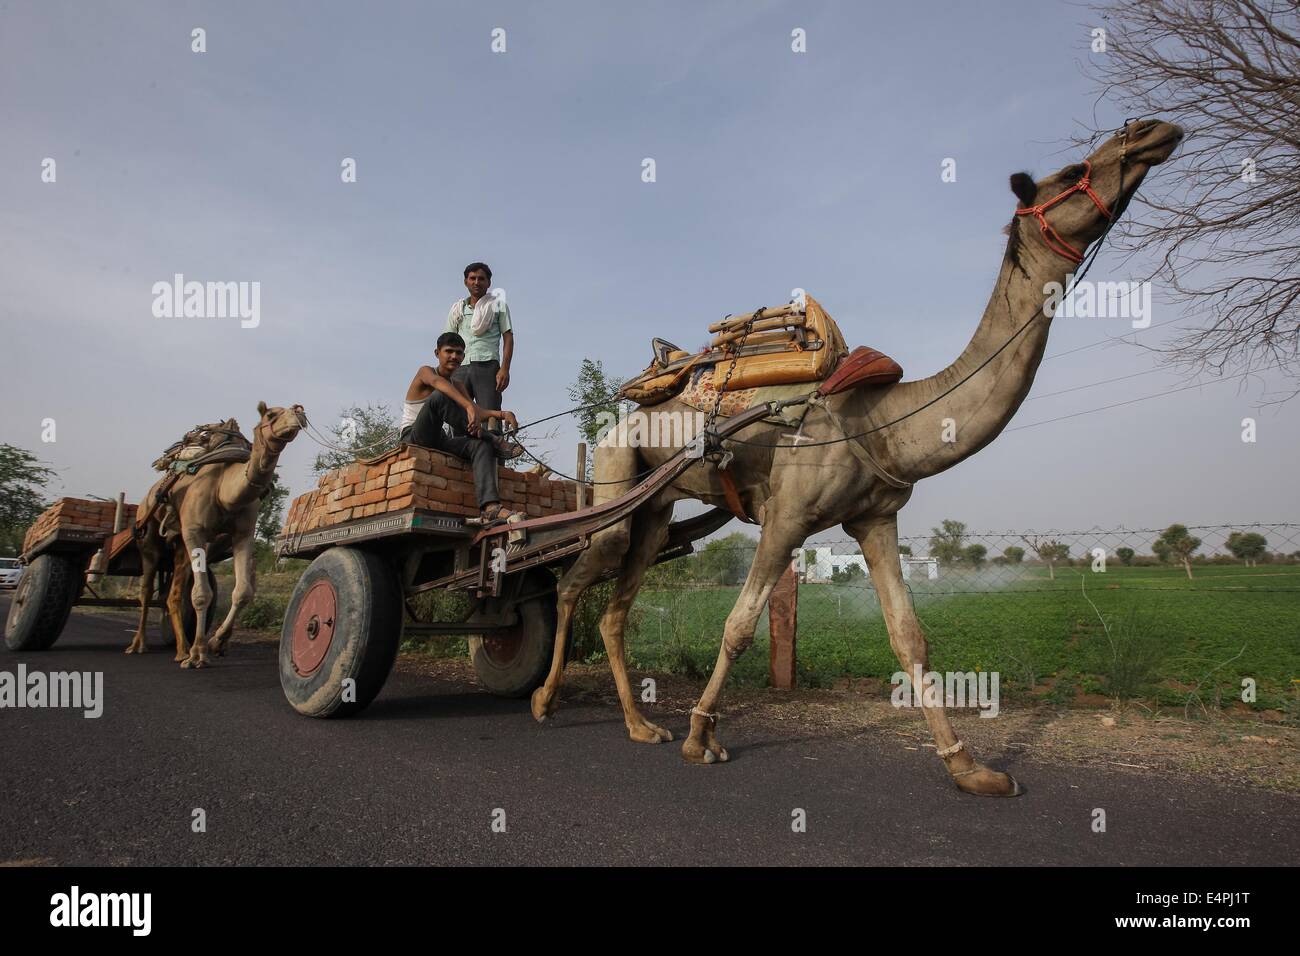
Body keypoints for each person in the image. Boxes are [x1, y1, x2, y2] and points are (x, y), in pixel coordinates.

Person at [400, 332, 523, 522]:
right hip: (413, 437)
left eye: (458, 353)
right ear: (437, 353)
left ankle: (490, 507)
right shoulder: (426, 372)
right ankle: (494, 439)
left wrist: (502, 414)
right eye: (448, 351)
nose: (454, 357)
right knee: (439, 397)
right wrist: (466, 406)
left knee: (480, 445)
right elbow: (438, 384)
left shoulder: (457, 385)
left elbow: (477, 411)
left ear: (463, 357)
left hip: (438, 439)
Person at [445, 261, 512, 432]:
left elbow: (508, 338)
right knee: (458, 416)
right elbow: (448, 340)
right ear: (465, 282)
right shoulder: (457, 309)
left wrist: (504, 369)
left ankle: (491, 454)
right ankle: (460, 454)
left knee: (490, 418)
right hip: (460, 367)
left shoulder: (498, 306)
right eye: (472, 278)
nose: (476, 282)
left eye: (481, 279)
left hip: (487, 366)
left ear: (488, 283)